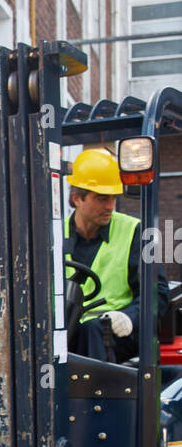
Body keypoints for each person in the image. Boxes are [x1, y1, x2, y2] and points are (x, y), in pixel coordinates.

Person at [65, 145, 168, 363]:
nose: (111, 206)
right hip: (67, 330)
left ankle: (95, 396)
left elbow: (157, 292)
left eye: (113, 198)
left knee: (91, 331)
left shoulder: (134, 231)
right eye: (102, 198)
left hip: (118, 332)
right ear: (77, 199)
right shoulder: (54, 234)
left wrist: (129, 317)